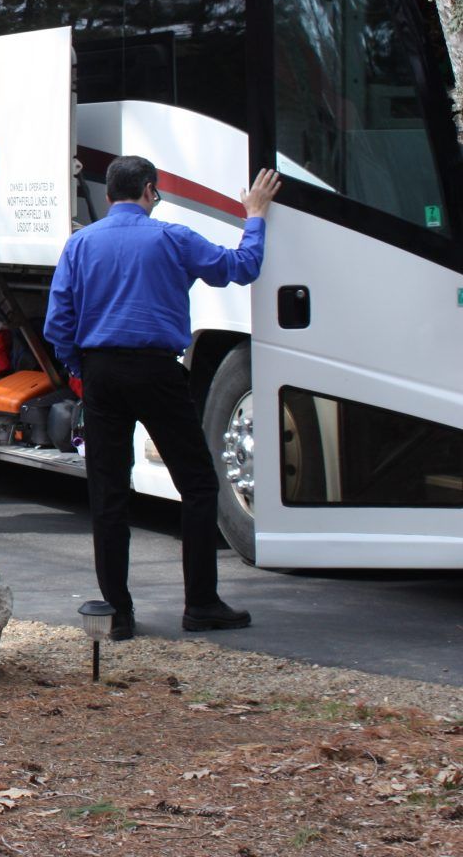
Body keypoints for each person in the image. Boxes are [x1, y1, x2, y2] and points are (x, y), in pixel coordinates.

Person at [45, 157, 280, 641]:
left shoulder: (80, 244)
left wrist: (81, 369)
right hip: (157, 370)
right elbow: (241, 267)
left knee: (108, 494)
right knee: (196, 485)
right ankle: (201, 603)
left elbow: (58, 323)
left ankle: (118, 611)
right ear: (149, 191)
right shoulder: (173, 239)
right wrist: (254, 215)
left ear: (109, 194)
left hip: (102, 372)